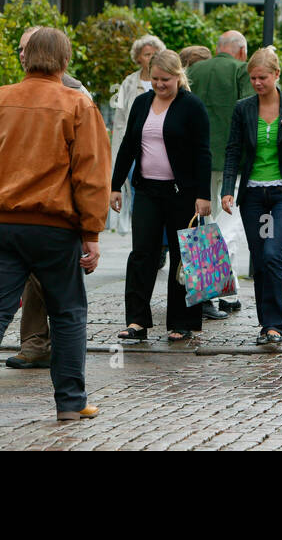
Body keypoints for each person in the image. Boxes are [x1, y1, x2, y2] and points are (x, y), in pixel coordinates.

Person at [0, 27, 111, 433]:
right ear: (65, 61)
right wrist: (92, 231)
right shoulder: (78, 104)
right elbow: (91, 174)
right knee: (67, 310)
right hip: (53, 225)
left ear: (26, 58)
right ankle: (71, 402)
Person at [7, 27, 96, 370]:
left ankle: (59, 349)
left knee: (51, 280)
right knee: (32, 278)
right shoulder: (10, 94)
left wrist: (90, 227)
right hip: (22, 204)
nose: (21, 54)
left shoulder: (75, 95)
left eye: (26, 48)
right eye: (19, 47)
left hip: (60, 208)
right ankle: (36, 343)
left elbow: (90, 164)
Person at [221, 47, 282, 346]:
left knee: (271, 254)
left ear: (276, 75)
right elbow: (233, 150)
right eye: (253, 78)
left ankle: (276, 325)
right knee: (260, 258)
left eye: (262, 77)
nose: (257, 83)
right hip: (253, 196)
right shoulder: (244, 108)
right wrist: (228, 188)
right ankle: (266, 325)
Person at [111, 50, 212, 343]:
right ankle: (136, 321)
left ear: (178, 76)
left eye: (165, 79)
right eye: (154, 79)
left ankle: (182, 322)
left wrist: (204, 195)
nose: (159, 84)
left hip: (182, 194)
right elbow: (128, 146)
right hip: (147, 191)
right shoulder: (142, 103)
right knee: (142, 254)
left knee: (184, 257)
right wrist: (115, 185)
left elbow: (203, 153)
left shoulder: (192, 106)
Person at [186, 29, 252, 320]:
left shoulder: (196, 69)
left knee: (203, 222)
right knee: (228, 224)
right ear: (241, 52)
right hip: (231, 160)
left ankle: (216, 290)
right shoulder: (241, 71)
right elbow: (249, 113)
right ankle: (226, 292)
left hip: (197, 158)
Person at [108, 35, 166, 236]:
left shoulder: (170, 81)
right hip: (135, 148)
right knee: (137, 191)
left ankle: (159, 239)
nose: (151, 58)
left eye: (155, 54)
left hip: (161, 147)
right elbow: (121, 118)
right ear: (138, 58)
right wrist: (117, 151)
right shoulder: (129, 82)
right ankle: (144, 232)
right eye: (147, 54)